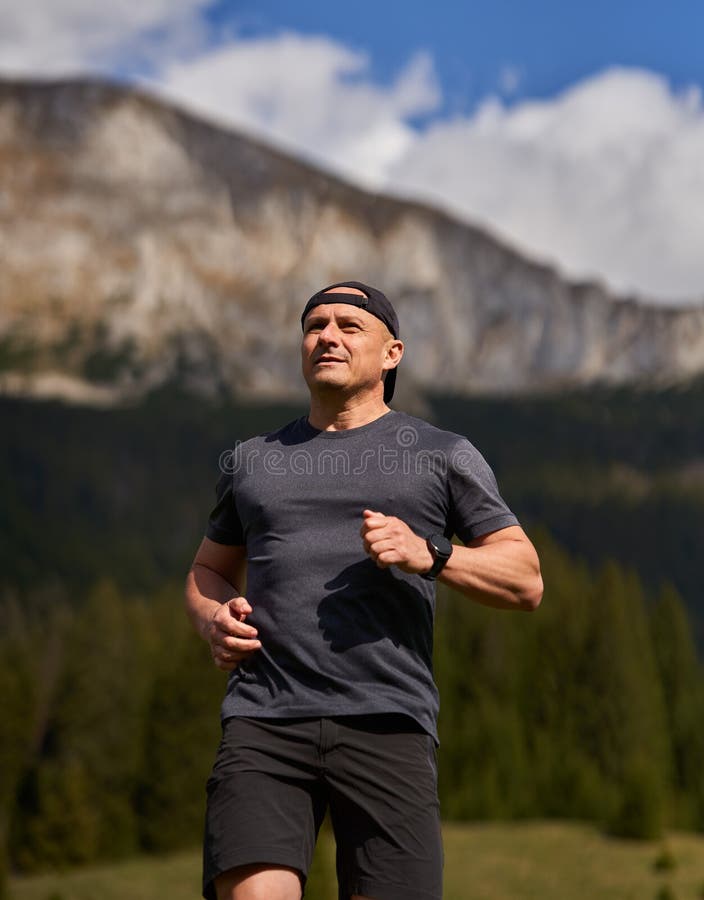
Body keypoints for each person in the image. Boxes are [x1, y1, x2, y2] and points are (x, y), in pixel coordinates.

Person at [185, 280, 543, 900]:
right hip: (264, 722)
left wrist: (430, 553)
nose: (327, 335)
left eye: (349, 326)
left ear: (391, 354)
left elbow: (525, 578)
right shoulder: (252, 460)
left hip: (389, 723)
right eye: (315, 325)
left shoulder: (443, 455)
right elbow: (206, 571)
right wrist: (213, 616)